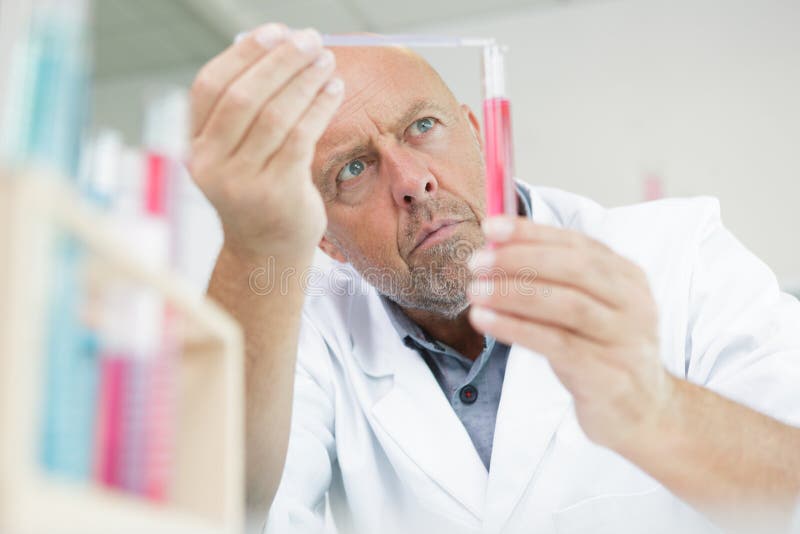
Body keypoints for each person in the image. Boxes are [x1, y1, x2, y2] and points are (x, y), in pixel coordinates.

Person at [188, 23, 800, 534]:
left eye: (422, 126)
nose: (411, 181)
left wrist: (656, 408)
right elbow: (223, 507)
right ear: (325, 238)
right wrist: (254, 240)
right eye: (354, 168)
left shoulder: (679, 252)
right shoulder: (310, 325)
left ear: (478, 134)